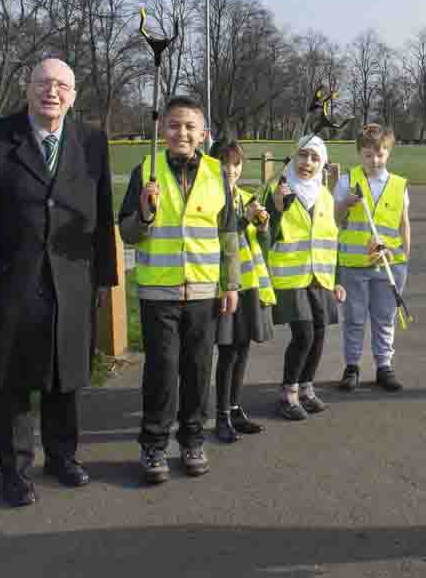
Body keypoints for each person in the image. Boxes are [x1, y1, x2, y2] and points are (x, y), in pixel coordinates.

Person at [0, 57, 118, 507]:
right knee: (13, 380)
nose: (52, 92)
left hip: (71, 280)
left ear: (74, 95)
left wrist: (104, 278)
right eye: (44, 83)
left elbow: (102, 217)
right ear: (27, 88)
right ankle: (14, 470)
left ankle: (62, 457)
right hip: (9, 281)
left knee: (65, 376)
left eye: (63, 85)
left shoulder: (92, 142)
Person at [119, 96, 238, 484]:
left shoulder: (217, 173)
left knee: (198, 369)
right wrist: (145, 213)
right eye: (174, 125)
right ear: (162, 129)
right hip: (159, 293)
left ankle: (192, 439)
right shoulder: (146, 170)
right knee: (162, 370)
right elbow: (128, 232)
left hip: (204, 292)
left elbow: (229, 233)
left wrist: (231, 282)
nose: (182, 133)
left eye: (190, 127)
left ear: (204, 134)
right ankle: (154, 444)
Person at [263, 135, 347, 420]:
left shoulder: (324, 195)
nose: (307, 163)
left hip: (320, 276)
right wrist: (275, 211)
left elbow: (332, 238)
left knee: (320, 332)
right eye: (302, 155)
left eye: (314, 157)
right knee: (305, 333)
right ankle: (288, 392)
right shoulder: (279, 191)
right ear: (293, 158)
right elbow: (264, 235)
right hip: (291, 277)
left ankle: (307, 386)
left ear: (321, 163)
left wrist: (337, 278)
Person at [333, 124, 412, 393]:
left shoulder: (399, 185)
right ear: (360, 154)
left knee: (385, 317)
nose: (374, 160)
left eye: (379, 154)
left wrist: (403, 259)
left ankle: (384, 366)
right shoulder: (347, 181)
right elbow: (335, 218)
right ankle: (352, 366)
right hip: (354, 265)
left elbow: (403, 224)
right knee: (354, 318)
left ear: (388, 153)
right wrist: (347, 203)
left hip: (388, 265)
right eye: (368, 155)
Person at [209, 138, 275, 442]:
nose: (230, 170)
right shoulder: (211, 199)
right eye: (224, 163)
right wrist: (241, 221)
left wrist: (262, 226)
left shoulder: (245, 198)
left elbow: (261, 243)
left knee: (242, 348)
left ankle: (235, 408)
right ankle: (221, 414)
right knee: (227, 352)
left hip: (248, 285)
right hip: (224, 286)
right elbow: (222, 237)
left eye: (235, 164)